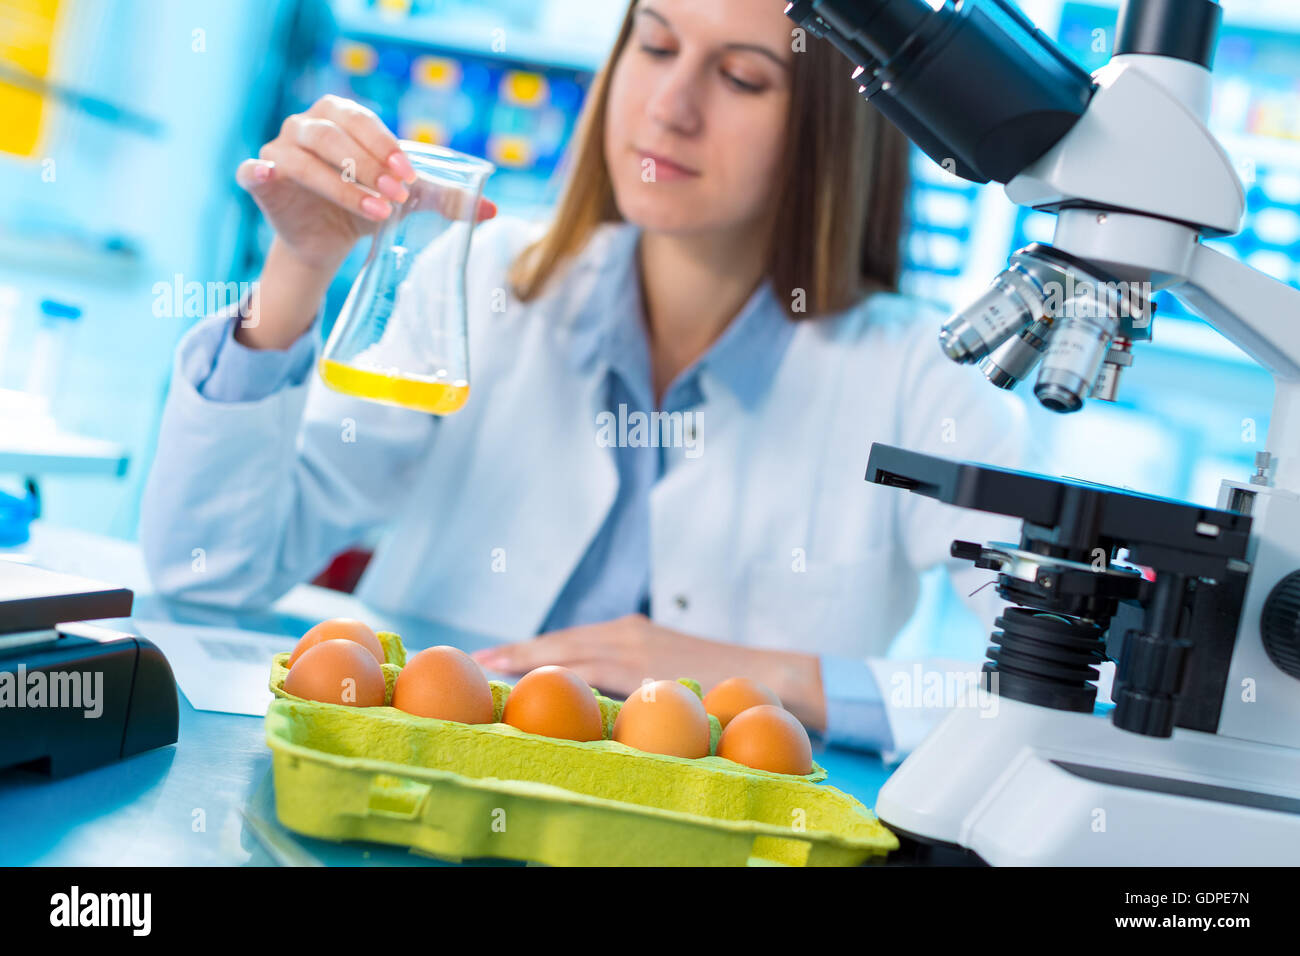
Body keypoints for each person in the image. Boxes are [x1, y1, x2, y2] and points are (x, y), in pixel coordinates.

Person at [140, 0, 1030, 760]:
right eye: (654, 44)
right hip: (405, 792)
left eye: (743, 78)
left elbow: (1073, 694)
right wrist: (296, 268)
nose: (671, 107)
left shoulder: (922, 378)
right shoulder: (487, 279)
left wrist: (760, 677)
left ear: (833, 133)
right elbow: (203, 574)